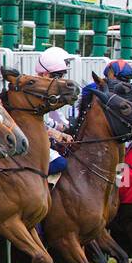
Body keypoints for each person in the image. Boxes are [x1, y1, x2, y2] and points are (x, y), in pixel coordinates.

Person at [36, 45, 77, 174]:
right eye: (58, 75)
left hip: (42, 137)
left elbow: (49, 120)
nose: (62, 80)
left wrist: (63, 130)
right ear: (46, 73)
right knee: (61, 163)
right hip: (30, 140)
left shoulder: (49, 93)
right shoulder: (34, 90)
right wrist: (54, 132)